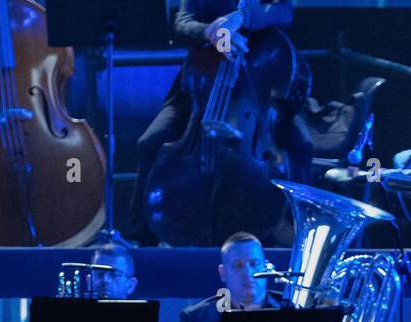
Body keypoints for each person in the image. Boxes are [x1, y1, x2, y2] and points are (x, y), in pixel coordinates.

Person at [123, 0, 309, 244]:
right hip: (201, 87)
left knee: (301, 145)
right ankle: (140, 237)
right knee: (150, 141)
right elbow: (182, 24)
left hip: (259, 84)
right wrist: (212, 32)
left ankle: (301, 229)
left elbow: (283, 12)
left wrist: (241, 18)